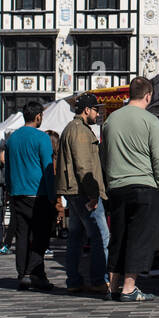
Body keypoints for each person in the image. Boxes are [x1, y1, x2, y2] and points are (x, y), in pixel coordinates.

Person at [102, 77, 159, 302]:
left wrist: (110, 181)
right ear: (148, 95)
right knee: (139, 237)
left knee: (118, 236)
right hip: (144, 186)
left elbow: (104, 155)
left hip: (117, 187)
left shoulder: (110, 120)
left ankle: (113, 285)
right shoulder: (151, 121)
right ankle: (129, 287)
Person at [56, 93, 110, 294]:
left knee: (76, 237)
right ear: (86, 110)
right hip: (82, 191)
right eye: (96, 109)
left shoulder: (74, 128)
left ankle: (74, 281)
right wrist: (94, 194)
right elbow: (83, 166)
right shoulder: (79, 131)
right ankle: (98, 280)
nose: (98, 113)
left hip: (75, 191)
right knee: (101, 235)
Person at [5, 103, 56, 291]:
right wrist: (52, 195)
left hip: (18, 192)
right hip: (38, 193)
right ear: (38, 117)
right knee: (41, 236)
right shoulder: (41, 138)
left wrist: (10, 191)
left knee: (22, 236)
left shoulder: (12, 138)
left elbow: (8, 169)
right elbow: (48, 169)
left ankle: (24, 274)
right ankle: (32, 271)